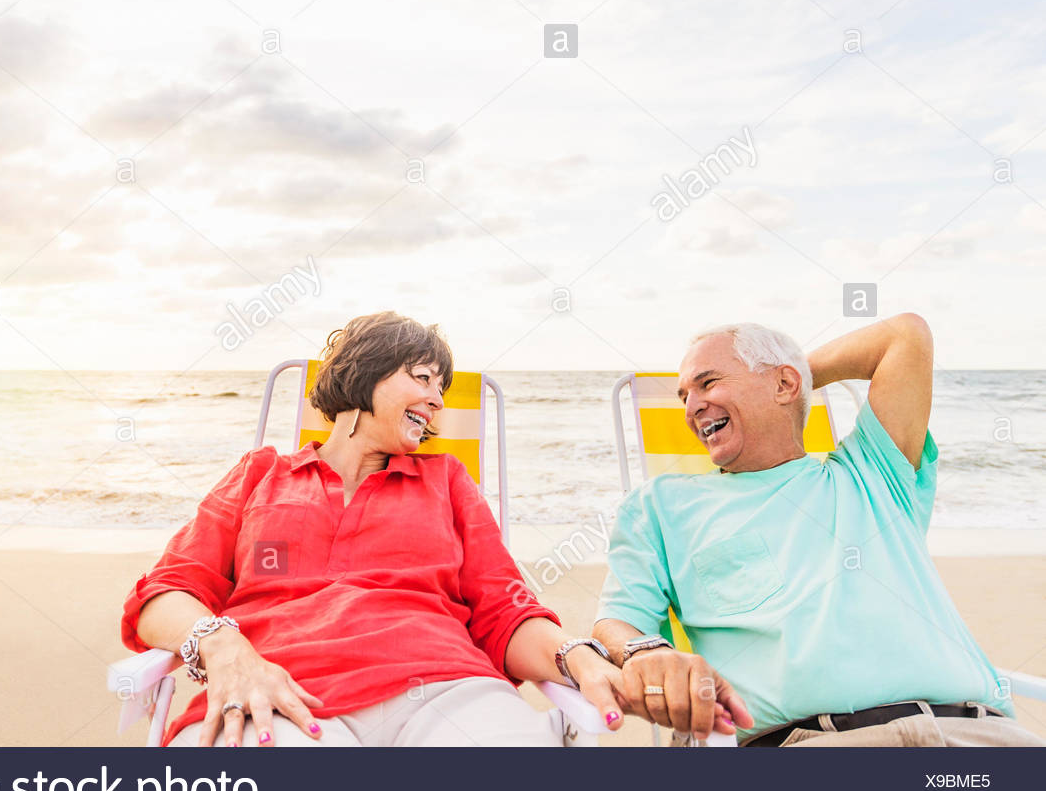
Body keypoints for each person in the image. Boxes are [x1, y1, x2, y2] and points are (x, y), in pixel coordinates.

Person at [123, 312, 673, 746]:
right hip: (278, 688)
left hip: (446, 689)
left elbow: (503, 609)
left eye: (443, 388)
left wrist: (572, 655)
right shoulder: (260, 474)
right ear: (364, 372)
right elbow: (166, 593)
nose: (437, 400)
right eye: (423, 378)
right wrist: (224, 650)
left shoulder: (446, 480)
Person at [593, 314, 1044, 747]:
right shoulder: (662, 506)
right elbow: (617, 621)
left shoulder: (872, 474)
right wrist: (648, 655)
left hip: (981, 737)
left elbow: (905, 336)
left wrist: (793, 378)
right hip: (813, 744)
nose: (691, 407)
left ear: (786, 383)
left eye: (708, 382)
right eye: (683, 396)